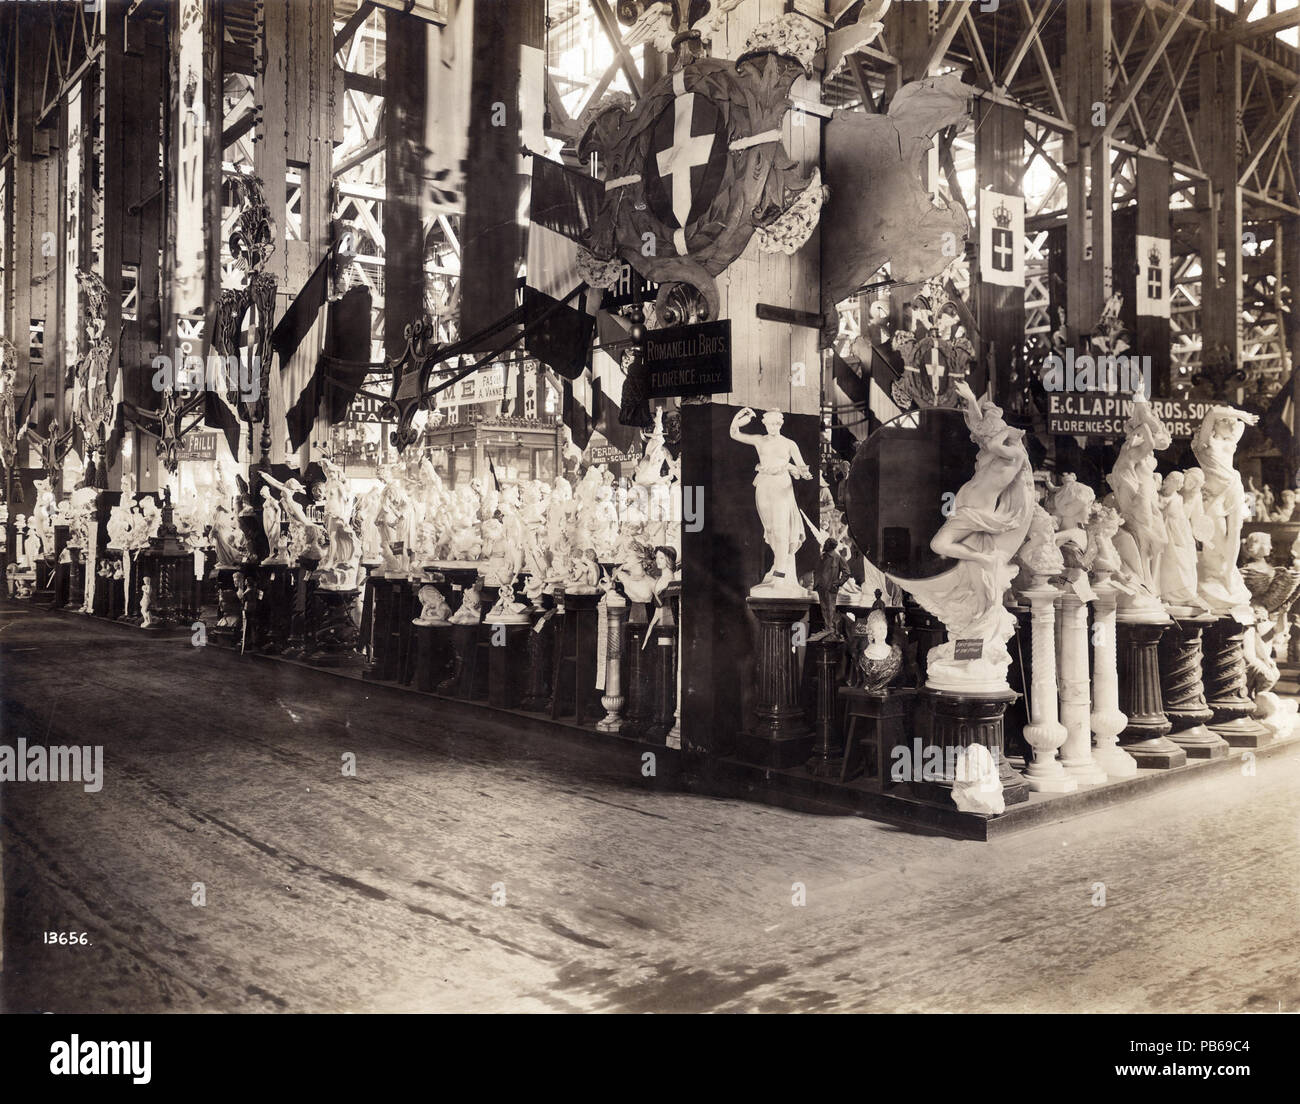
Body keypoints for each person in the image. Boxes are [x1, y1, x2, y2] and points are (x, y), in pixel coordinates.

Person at [730, 407, 813, 596]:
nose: (772, 427)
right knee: (771, 530)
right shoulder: (760, 440)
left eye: (776, 423)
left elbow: (802, 468)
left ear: (780, 424)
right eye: (769, 423)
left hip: (782, 487)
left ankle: (780, 576)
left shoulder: (789, 444)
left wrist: (800, 471)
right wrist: (741, 415)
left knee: (781, 528)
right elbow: (734, 433)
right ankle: (780, 566)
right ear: (765, 424)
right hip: (764, 486)